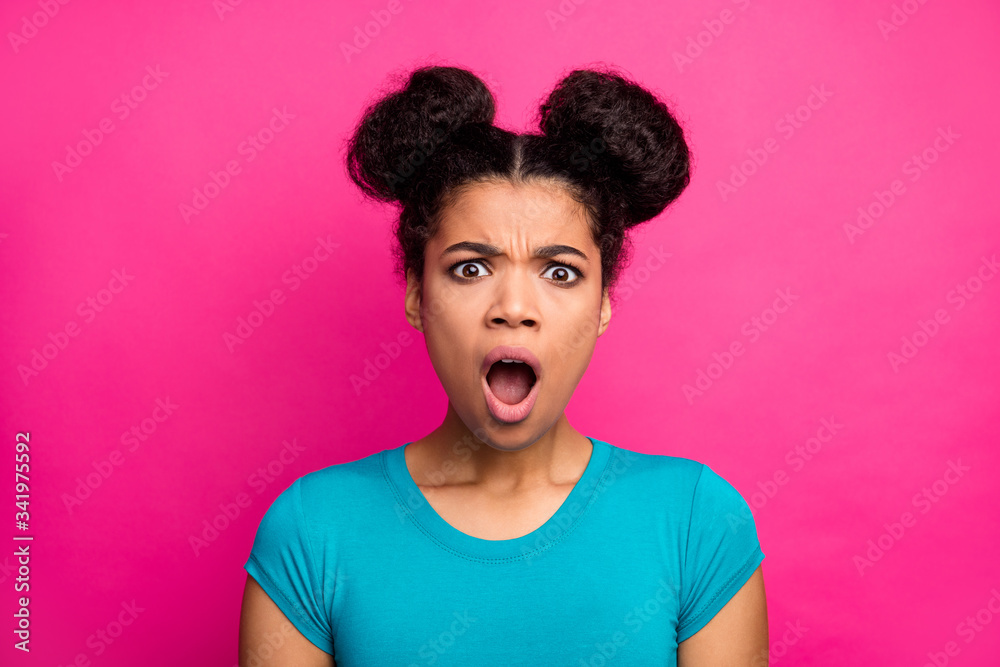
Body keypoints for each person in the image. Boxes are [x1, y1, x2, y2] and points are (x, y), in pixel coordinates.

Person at [238, 64, 768, 666]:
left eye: (560, 272)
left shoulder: (695, 521)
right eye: (470, 268)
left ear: (602, 306)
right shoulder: (315, 530)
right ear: (417, 294)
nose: (514, 308)